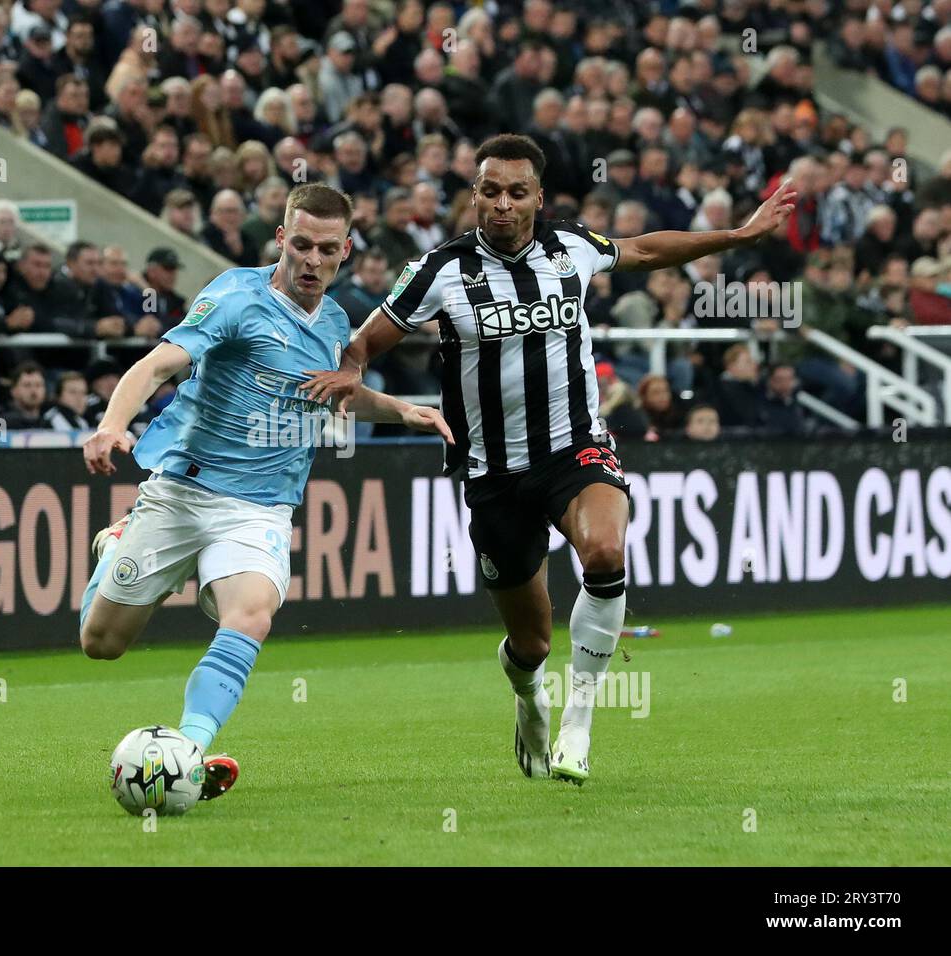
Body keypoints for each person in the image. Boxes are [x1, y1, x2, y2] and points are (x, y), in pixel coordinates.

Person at [302, 133, 796, 784]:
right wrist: (349, 373)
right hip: (494, 475)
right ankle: (531, 696)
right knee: (530, 644)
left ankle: (579, 721)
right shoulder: (440, 271)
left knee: (606, 555)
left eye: (515, 192)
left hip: (576, 448)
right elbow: (367, 343)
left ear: (538, 197)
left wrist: (735, 236)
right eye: (488, 191)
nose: (501, 205)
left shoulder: (572, 248)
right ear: (473, 195)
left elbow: (645, 249)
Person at [77, 183, 450, 804]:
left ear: (345, 251)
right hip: (183, 491)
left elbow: (333, 393)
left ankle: (189, 750)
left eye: (325, 249)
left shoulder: (334, 322)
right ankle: (116, 544)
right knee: (102, 644)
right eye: (300, 243)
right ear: (281, 238)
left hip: (260, 508)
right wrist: (112, 425)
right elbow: (157, 365)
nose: (311, 259)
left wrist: (399, 411)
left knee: (251, 613)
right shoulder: (234, 296)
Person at [0, 359, 48, 429]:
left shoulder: (51, 419)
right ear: (13, 390)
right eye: (27, 385)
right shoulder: (2, 421)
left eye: (38, 385)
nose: (33, 391)